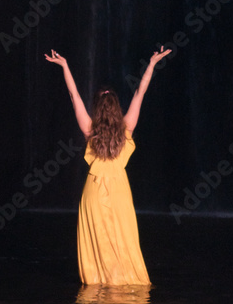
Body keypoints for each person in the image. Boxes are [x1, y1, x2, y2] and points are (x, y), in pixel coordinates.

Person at [44, 48, 171, 285]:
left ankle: (97, 286)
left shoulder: (89, 130)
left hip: (93, 191)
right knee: (123, 239)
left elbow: (74, 97)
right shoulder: (127, 128)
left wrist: (65, 65)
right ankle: (125, 287)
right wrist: (152, 63)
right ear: (115, 107)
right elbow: (139, 93)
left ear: (98, 106)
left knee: (98, 241)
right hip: (119, 192)